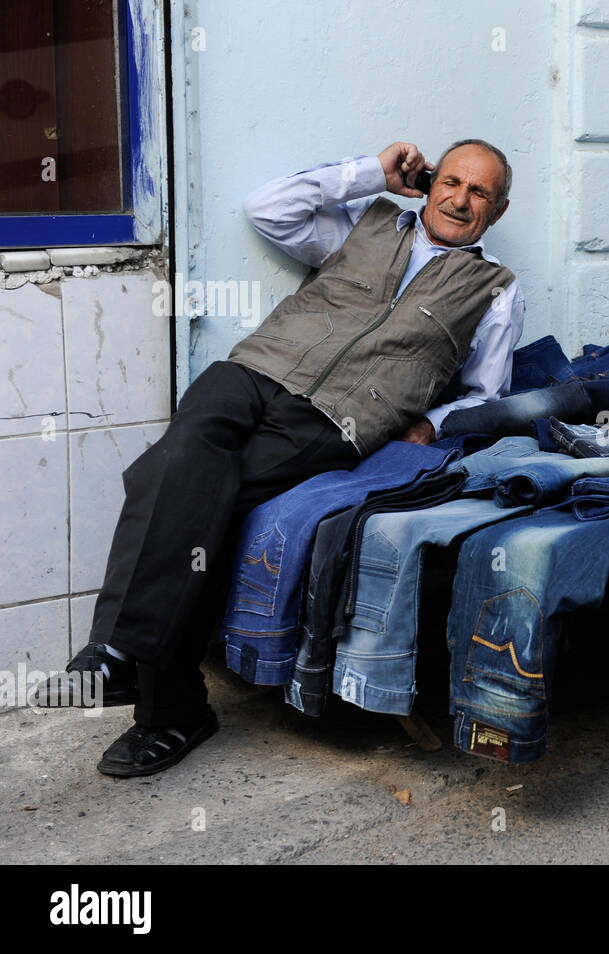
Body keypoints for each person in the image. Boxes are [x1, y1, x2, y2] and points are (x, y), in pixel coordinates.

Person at [34, 139, 524, 777]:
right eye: (451, 181)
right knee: (179, 463)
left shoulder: (495, 290)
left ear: (499, 209)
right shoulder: (366, 222)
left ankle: (137, 672)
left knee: (188, 493)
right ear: (430, 182)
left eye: (479, 192)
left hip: (335, 418)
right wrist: (371, 173)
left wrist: (431, 425)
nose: (459, 199)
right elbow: (267, 207)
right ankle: (143, 670)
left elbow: (488, 394)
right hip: (252, 370)